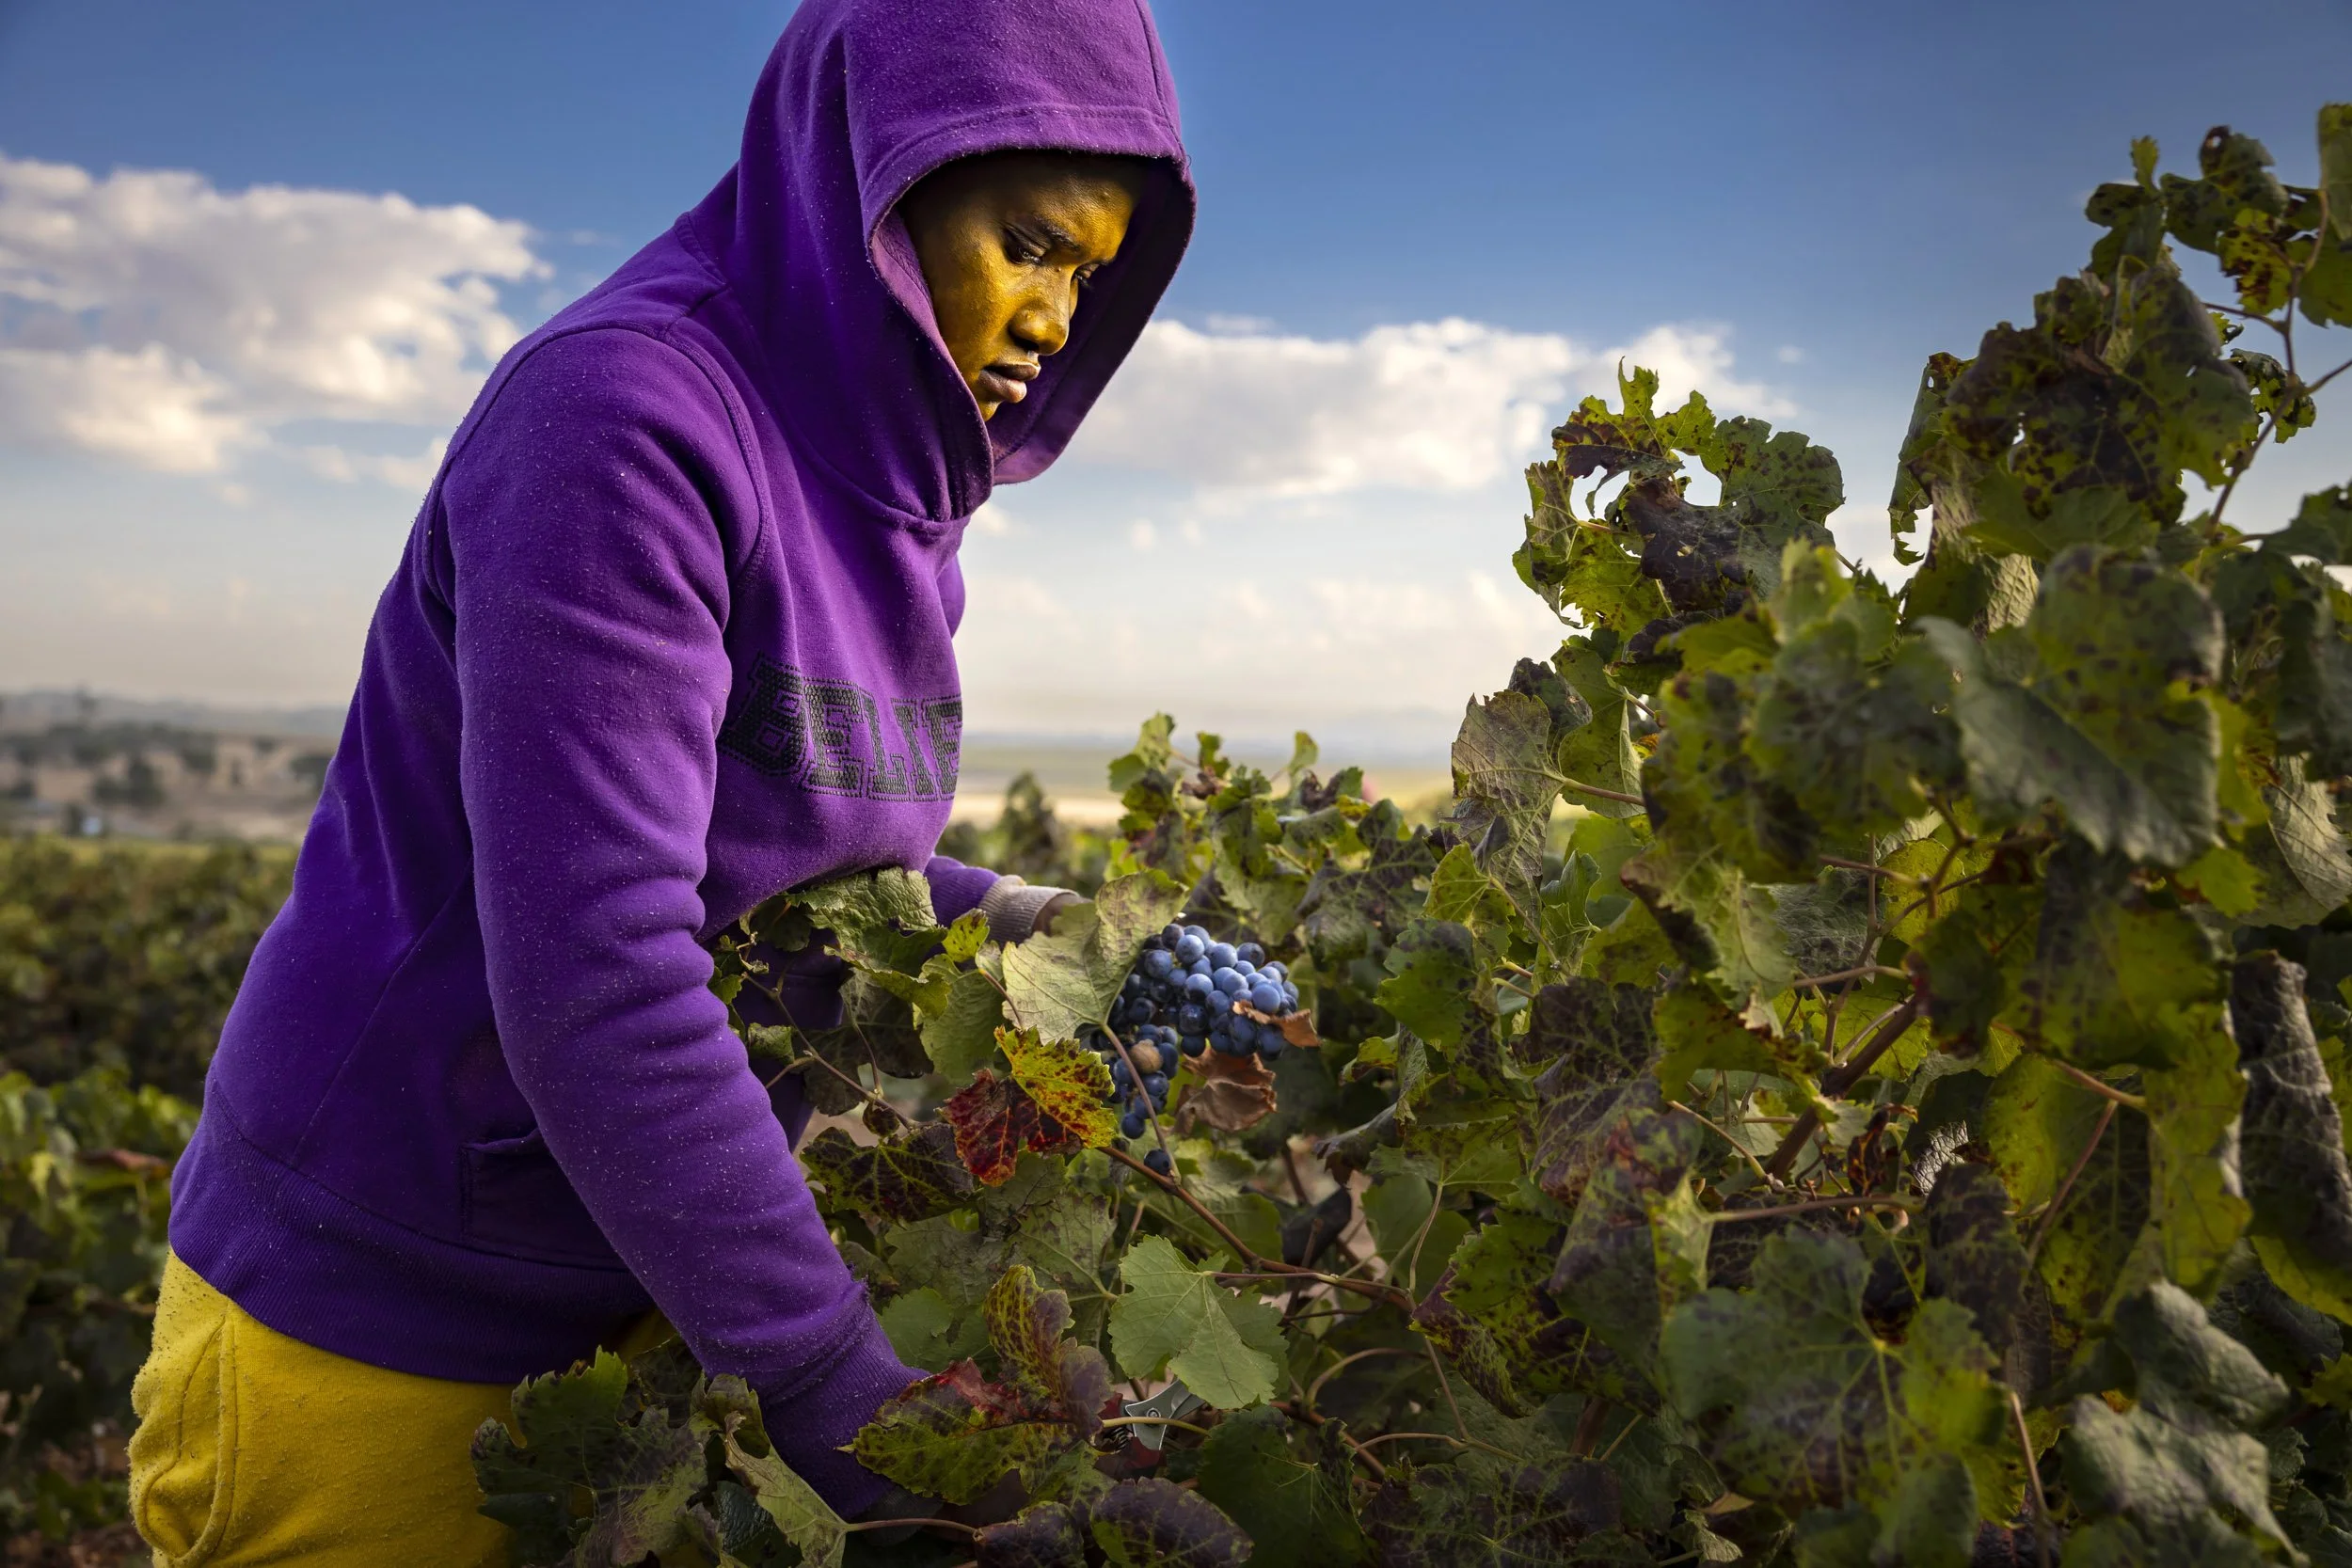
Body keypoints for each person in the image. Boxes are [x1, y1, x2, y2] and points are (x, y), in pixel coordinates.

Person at [123, 0, 1193, 1560]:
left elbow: (786, 863)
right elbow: (605, 971)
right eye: (1028, 244)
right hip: (384, 1315)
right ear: (874, 178)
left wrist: (1045, 934)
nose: (1054, 318)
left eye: (1090, 276)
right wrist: (848, 1403)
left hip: (639, 1297)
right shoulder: (620, 421)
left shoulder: (894, 488)